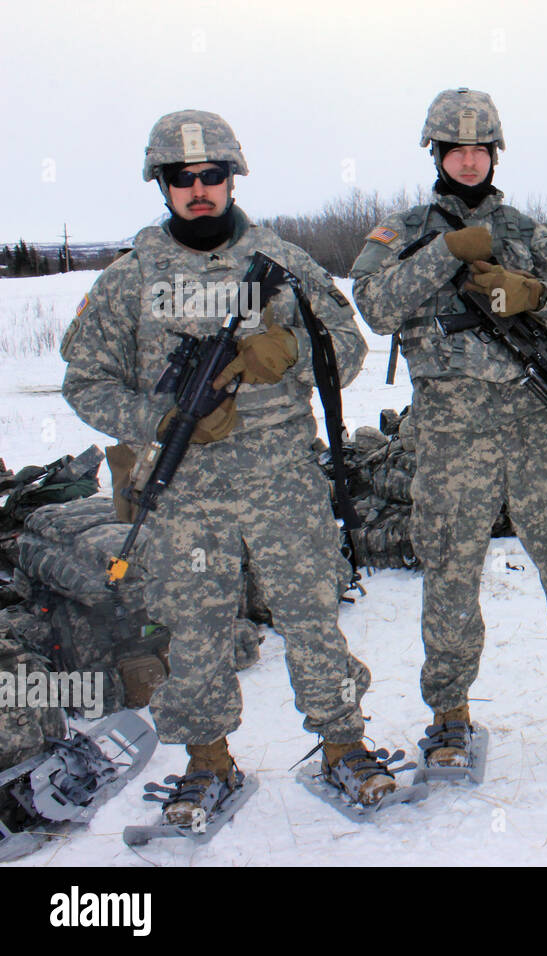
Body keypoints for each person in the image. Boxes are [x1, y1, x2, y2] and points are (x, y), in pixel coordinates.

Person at [60, 110, 397, 821]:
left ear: (232, 178)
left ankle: (343, 744)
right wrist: (161, 420)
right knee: (197, 627)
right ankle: (208, 760)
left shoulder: (286, 263)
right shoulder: (132, 277)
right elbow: (85, 381)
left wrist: (286, 353)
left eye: (212, 175)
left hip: (282, 478)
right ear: (163, 185)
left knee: (311, 616)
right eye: (182, 179)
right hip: (186, 490)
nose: (200, 190)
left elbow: (350, 350)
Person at [348, 89, 547, 763]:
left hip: (535, 426)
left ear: (495, 155)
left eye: (481, 150)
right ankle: (449, 714)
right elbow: (374, 307)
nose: (471, 161)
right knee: (450, 572)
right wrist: (444, 253)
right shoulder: (402, 231)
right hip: (452, 436)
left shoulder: (531, 233)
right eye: (458, 150)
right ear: (439, 154)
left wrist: (532, 293)